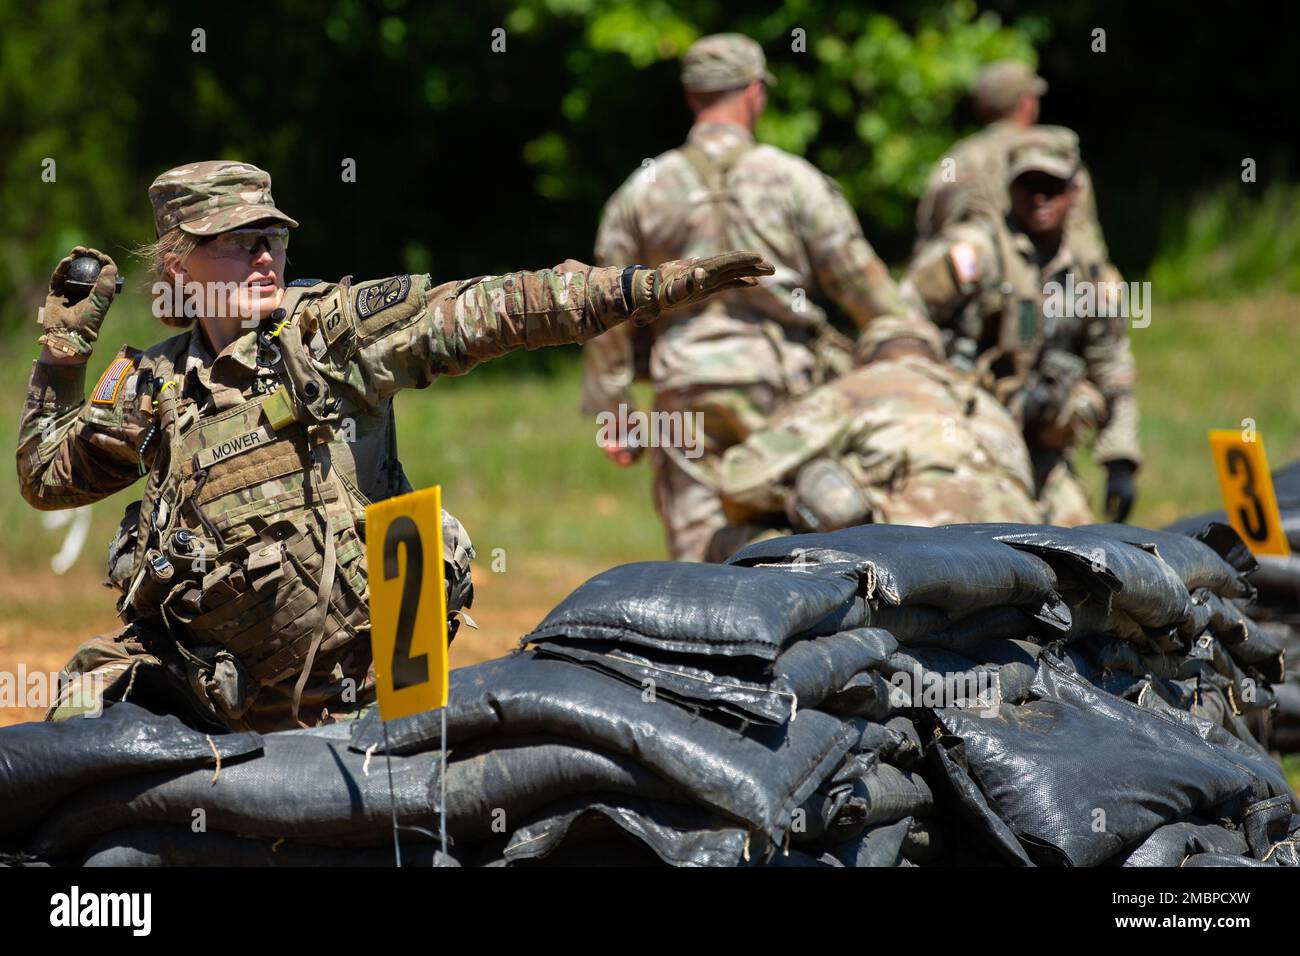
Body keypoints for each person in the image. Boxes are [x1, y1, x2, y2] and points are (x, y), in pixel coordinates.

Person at [18, 160, 772, 731]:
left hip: (366, 672)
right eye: (236, 241)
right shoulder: (152, 386)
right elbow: (47, 477)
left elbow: (495, 308)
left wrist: (648, 289)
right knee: (80, 706)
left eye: (272, 236)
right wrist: (62, 352)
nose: (263, 257)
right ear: (180, 264)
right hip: (221, 691)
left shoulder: (331, 336)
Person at [582, 33, 918, 562]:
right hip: (783, 387)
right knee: (797, 543)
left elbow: (606, 308)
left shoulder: (641, 190)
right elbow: (862, 286)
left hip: (684, 388)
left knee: (696, 558)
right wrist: (910, 360)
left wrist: (617, 412)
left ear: (692, 97)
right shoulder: (795, 181)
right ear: (755, 93)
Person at [905, 135, 1140, 525]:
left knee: (1082, 549)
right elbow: (904, 314)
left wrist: (1121, 461)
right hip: (967, 439)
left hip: (1044, 449)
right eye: (1028, 187)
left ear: (1075, 191)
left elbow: (1112, 368)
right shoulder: (976, 249)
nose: (1040, 200)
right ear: (1010, 188)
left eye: (1053, 188)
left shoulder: (1091, 273)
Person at [708, 314, 1042, 560]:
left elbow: (740, 481)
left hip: (919, 561)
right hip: (1022, 562)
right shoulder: (990, 405)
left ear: (867, 358)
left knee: (731, 539)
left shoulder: (860, 387)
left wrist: (798, 500)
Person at [913, 59, 1108, 266]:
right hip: (1050, 285)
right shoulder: (1053, 152)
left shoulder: (954, 160)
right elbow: (1083, 232)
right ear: (1026, 103)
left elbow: (929, 229)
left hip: (967, 283)